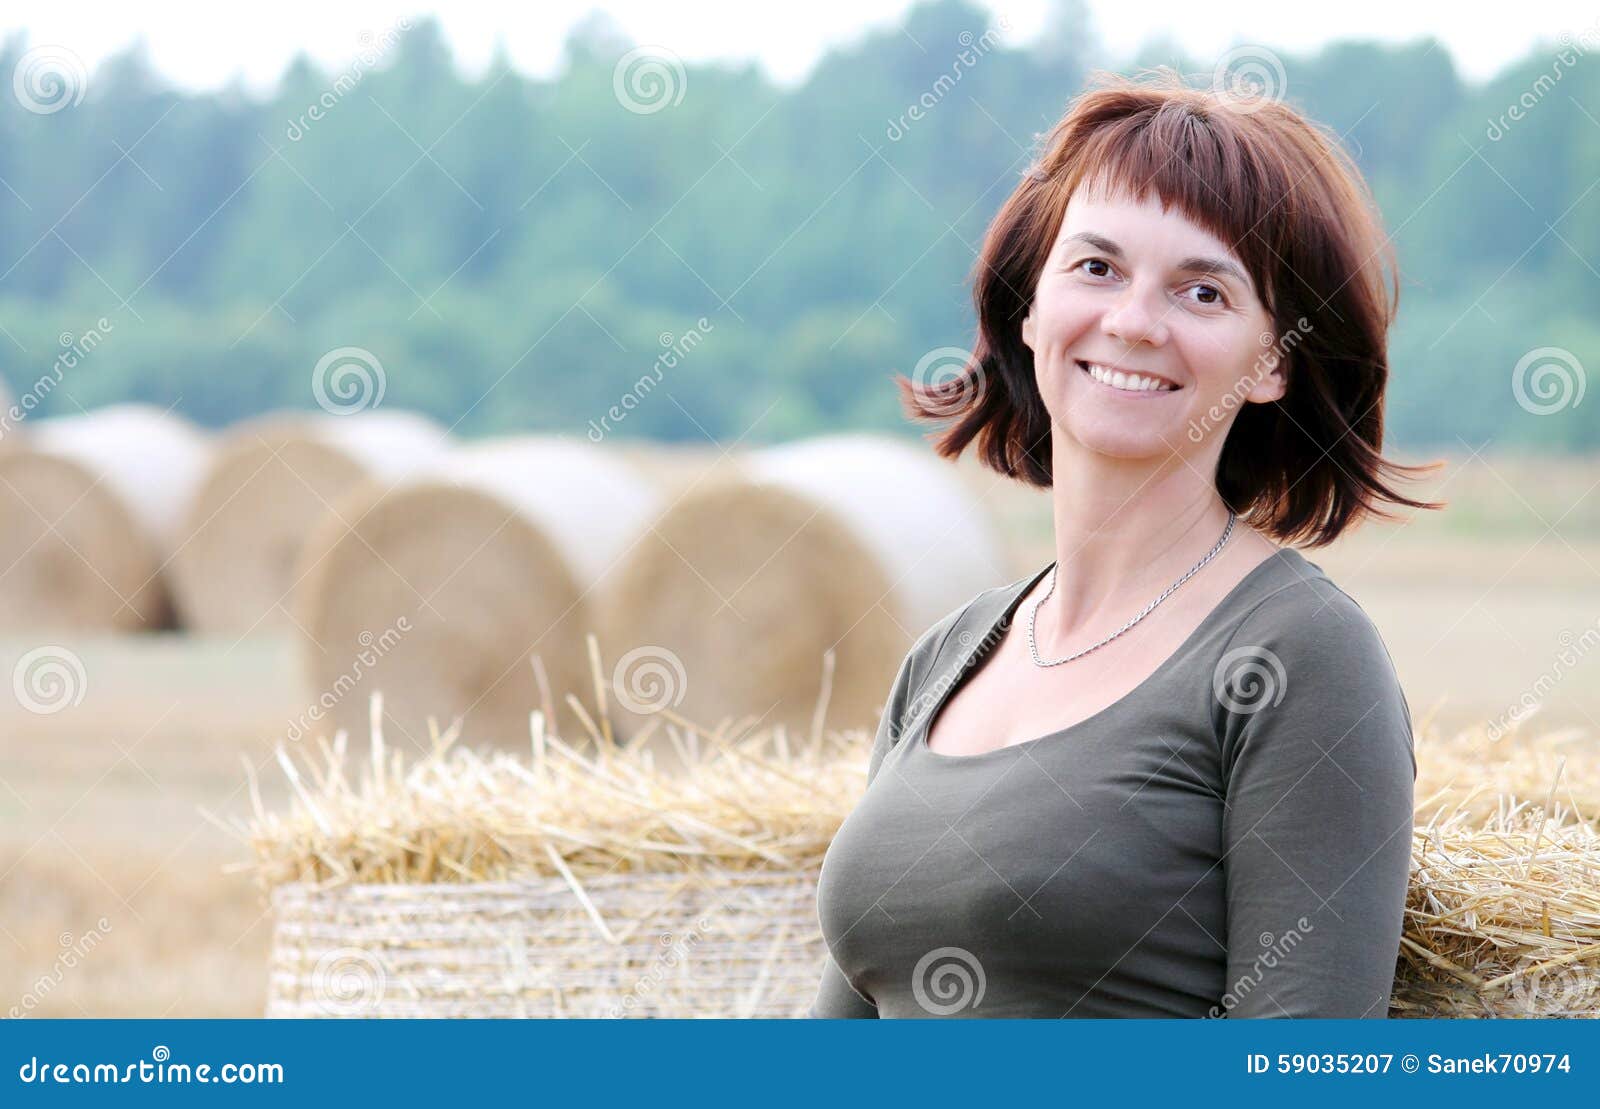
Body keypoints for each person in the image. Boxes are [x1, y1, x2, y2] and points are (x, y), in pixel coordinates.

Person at [809, 67, 1445, 1018]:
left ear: (1273, 361)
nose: (1133, 322)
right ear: (1030, 309)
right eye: (1097, 267)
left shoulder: (1299, 657)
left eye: (1202, 291)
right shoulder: (945, 658)